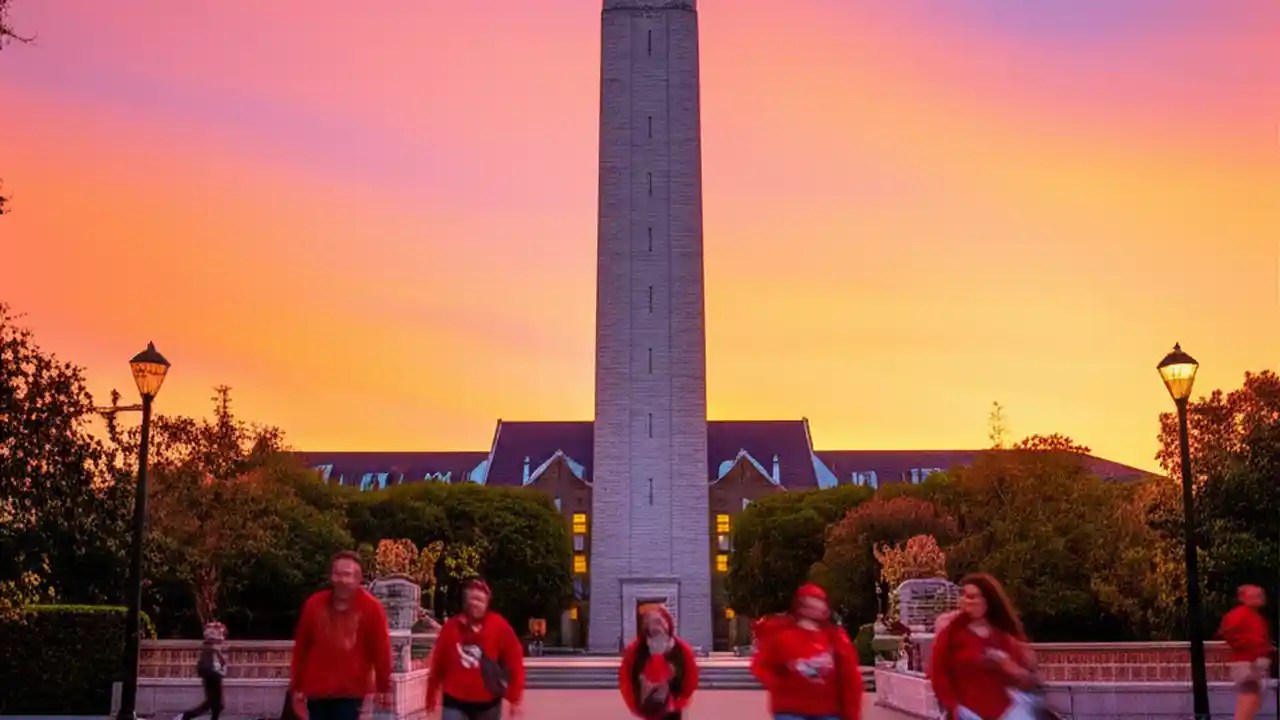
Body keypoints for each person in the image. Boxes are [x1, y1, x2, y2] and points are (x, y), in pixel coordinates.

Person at [289, 551, 393, 720]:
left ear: (358, 578)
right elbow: (302, 647)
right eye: (337, 574)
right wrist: (297, 686)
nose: (342, 580)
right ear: (331, 577)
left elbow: (381, 651)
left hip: (351, 693)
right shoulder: (314, 604)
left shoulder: (372, 609)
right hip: (317, 691)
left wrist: (384, 688)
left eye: (347, 575)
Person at [929, 573, 1042, 720]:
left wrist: (1008, 667)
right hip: (966, 713)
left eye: (972, 597)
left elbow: (1028, 680)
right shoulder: (951, 632)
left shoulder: (1003, 636)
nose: (964, 601)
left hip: (1003, 712)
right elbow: (938, 674)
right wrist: (954, 708)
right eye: (962, 595)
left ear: (986, 602)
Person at [750, 583, 863, 720]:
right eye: (810, 602)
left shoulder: (835, 638)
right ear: (801, 605)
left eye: (819, 602)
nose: (816, 607)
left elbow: (849, 677)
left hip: (827, 710)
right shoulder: (783, 637)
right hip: (790, 709)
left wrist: (851, 712)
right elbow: (762, 665)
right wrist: (779, 684)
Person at [426, 578, 526, 720]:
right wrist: (431, 696)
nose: (474, 603)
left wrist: (515, 697)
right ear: (465, 601)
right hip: (454, 701)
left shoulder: (498, 626)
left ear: (486, 603)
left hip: (487, 703)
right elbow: (437, 663)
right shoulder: (451, 628)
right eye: (471, 599)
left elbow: (514, 660)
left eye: (479, 600)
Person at [618, 605, 699, 720]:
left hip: (673, 708)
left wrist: (681, 701)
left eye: (659, 621)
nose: (655, 626)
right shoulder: (636, 649)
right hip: (648, 706)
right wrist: (634, 705)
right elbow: (626, 677)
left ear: (667, 623)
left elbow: (691, 677)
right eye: (650, 621)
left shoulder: (681, 648)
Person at [1218, 584, 1274, 720]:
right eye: (1255, 595)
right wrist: (1247, 646)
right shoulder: (1238, 615)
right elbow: (1228, 633)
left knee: (1253, 699)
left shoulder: (1256, 617)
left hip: (1254, 661)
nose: (1259, 597)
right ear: (1243, 597)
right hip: (1247, 662)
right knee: (1249, 698)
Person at [177, 621, 227, 720]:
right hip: (213, 675)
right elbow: (221, 661)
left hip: (211, 675)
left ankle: (187, 716)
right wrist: (222, 669)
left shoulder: (209, 646)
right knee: (215, 704)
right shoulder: (211, 646)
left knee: (215, 704)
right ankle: (186, 716)